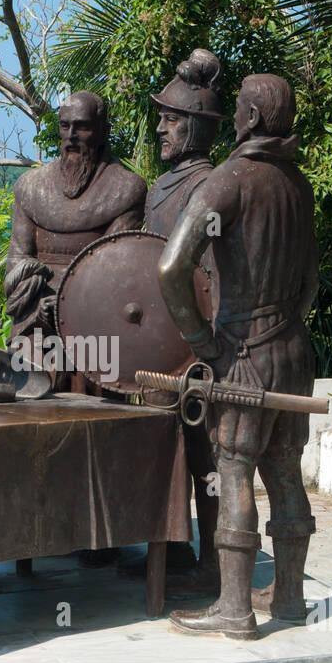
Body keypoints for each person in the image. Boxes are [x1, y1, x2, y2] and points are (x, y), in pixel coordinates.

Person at [157, 75, 319, 639]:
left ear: (249, 118)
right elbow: (310, 282)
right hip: (294, 351)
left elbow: (171, 267)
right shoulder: (298, 185)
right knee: (286, 471)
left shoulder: (228, 180)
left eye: (240, 112)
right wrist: (283, 325)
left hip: (243, 353)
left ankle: (234, 609)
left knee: (234, 471)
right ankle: (291, 600)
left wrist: (202, 341)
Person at [139, 49, 227, 586]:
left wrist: (205, 342)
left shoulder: (208, 185)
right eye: (162, 118)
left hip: (197, 347)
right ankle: (170, 552)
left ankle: (214, 560)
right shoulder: (160, 188)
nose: (160, 128)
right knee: (165, 451)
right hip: (159, 344)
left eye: (171, 120)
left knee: (205, 455)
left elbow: (213, 274)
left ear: (194, 125)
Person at [5, 91, 146, 391]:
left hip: (95, 329)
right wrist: (38, 302)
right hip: (36, 323)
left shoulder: (126, 189)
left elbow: (113, 270)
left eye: (81, 126)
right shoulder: (30, 187)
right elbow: (17, 259)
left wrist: (65, 304)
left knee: (92, 412)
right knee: (29, 409)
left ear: (102, 131)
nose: (70, 136)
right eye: (64, 126)